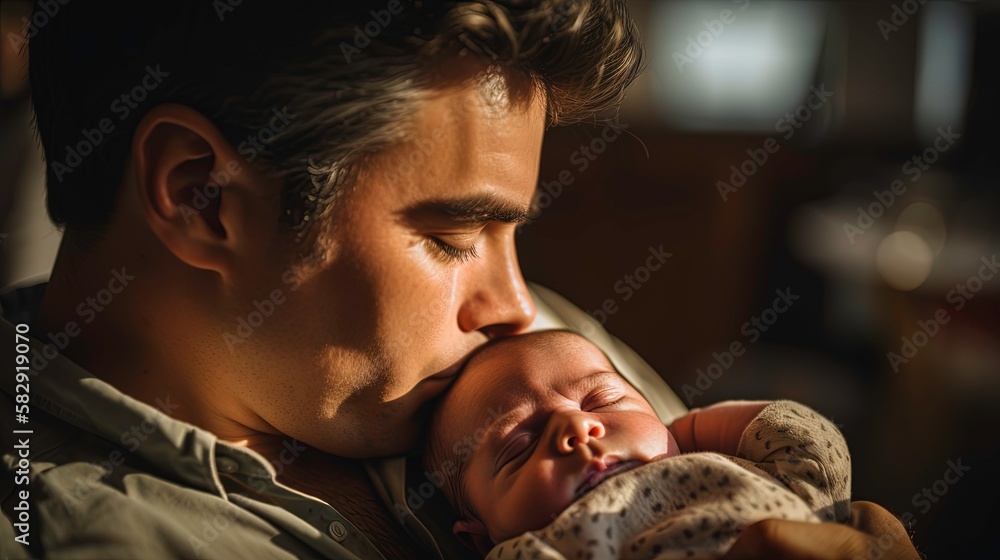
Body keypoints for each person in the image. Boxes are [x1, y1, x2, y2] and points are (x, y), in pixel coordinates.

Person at [0, 2, 919, 559]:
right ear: (202, 195)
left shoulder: (540, 358)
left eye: (509, 233)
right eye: (451, 237)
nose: (516, 307)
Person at [425, 330, 853, 558]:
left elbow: (810, 446)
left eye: (603, 400)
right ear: (484, 541)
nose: (577, 428)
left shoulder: (721, 462)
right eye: (520, 445)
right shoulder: (535, 548)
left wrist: (687, 431)